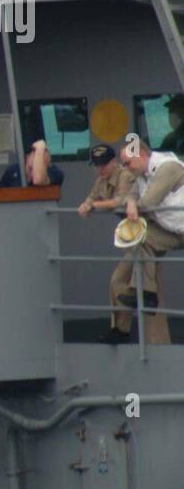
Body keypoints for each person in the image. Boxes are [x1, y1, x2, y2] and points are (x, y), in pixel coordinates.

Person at [76, 144, 150, 343]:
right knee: (118, 282)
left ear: (113, 162)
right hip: (134, 239)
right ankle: (120, 329)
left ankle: (142, 331)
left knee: (136, 286)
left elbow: (120, 202)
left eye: (103, 165)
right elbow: (90, 199)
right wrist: (86, 205)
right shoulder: (102, 180)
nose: (100, 169)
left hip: (148, 236)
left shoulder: (125, 175)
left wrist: (93, 205)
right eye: (97, 165)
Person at [112, 143, 184, 343]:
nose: (126, 168)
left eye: (128, 163)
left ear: (142, 154)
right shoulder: (142, 173)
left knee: (141, 236)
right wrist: (132, 202)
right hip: (174, 228)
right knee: (140, 237)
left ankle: (143, 293)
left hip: (179, 227)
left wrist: (134, 204)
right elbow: (132, 195)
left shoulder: (168, 168)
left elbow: (150, 201)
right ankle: (146, 294)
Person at [0, 140, 64, 187]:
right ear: (27, 156)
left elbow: (38, 180)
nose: (40, 157)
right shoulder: (13, 170)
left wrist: (40, 147)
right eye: (36, 153)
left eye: (45, 151)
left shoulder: (54, 172)